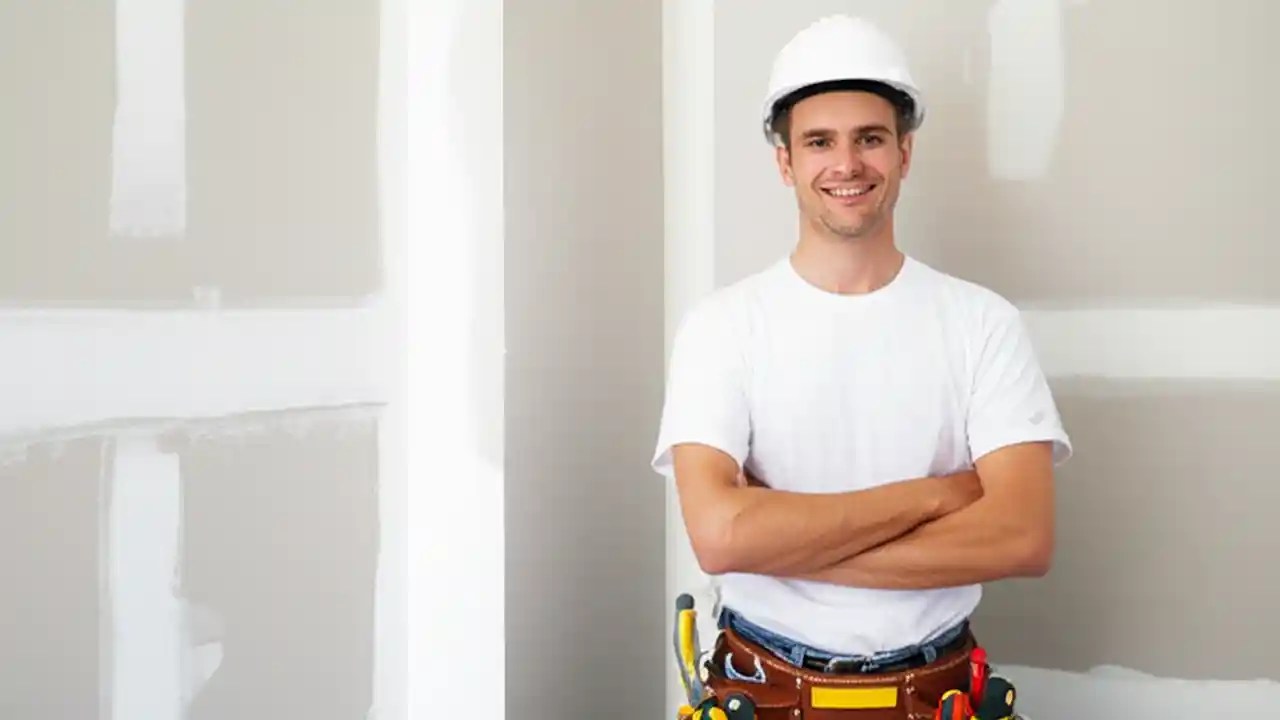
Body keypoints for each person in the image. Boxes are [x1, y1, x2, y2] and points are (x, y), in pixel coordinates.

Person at [651, 14, 1072, 718]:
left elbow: (1023, 536)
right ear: (785, 162)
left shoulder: (981, 323)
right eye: (820, 142)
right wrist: (940, 495)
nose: (846, 165)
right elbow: (720, 536)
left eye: (869, 139)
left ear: (904, 153)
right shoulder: (722, 328)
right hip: (764, 692)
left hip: (936, 698)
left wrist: (782, 541)